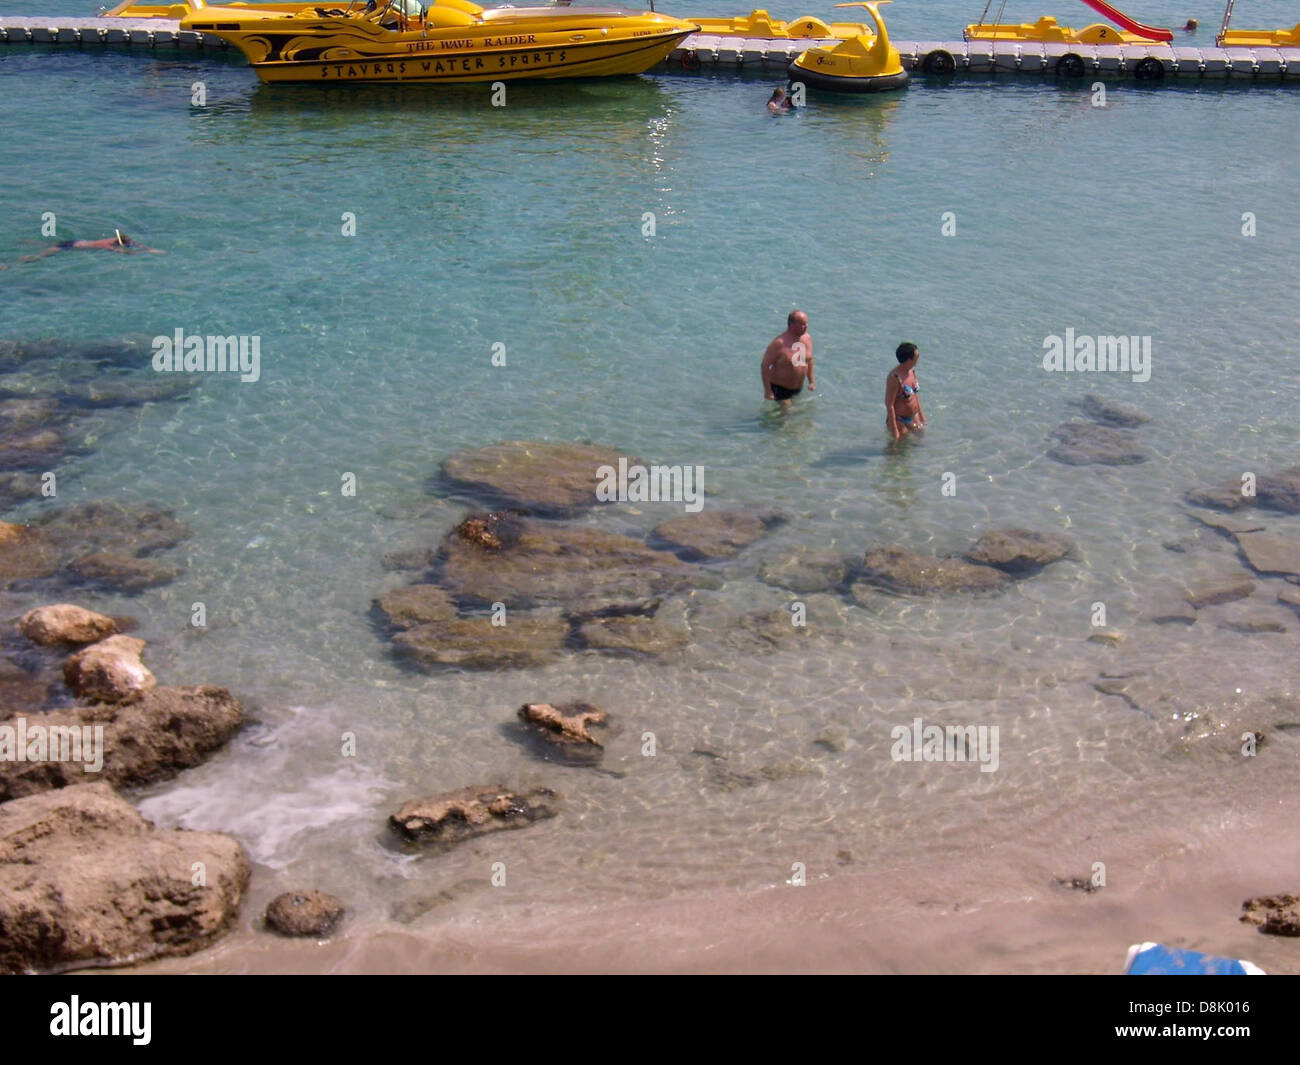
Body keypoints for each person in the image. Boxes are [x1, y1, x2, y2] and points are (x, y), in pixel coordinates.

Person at [762, 310, 814, 409]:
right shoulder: (779, 343)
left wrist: (811, 381)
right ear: (792, 325)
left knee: (793, 415)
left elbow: (809, 360)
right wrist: (768, 390)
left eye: (806, 323)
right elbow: (765, 365)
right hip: (781, 389)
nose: (806, 326)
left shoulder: (807, 338)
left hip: (797, 389)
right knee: (788, 416)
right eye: (802, 324)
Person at [886, 341, 925, 439]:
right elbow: (889, 404)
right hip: (899, 420)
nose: (919, 357)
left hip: (913, 417)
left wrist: (922, 416)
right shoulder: (895, 378)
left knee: (920, 441)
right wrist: (895, 430)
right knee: (900, 449)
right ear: (909, 360)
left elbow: (915, 396)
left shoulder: (912, 372)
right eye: (917, 356)